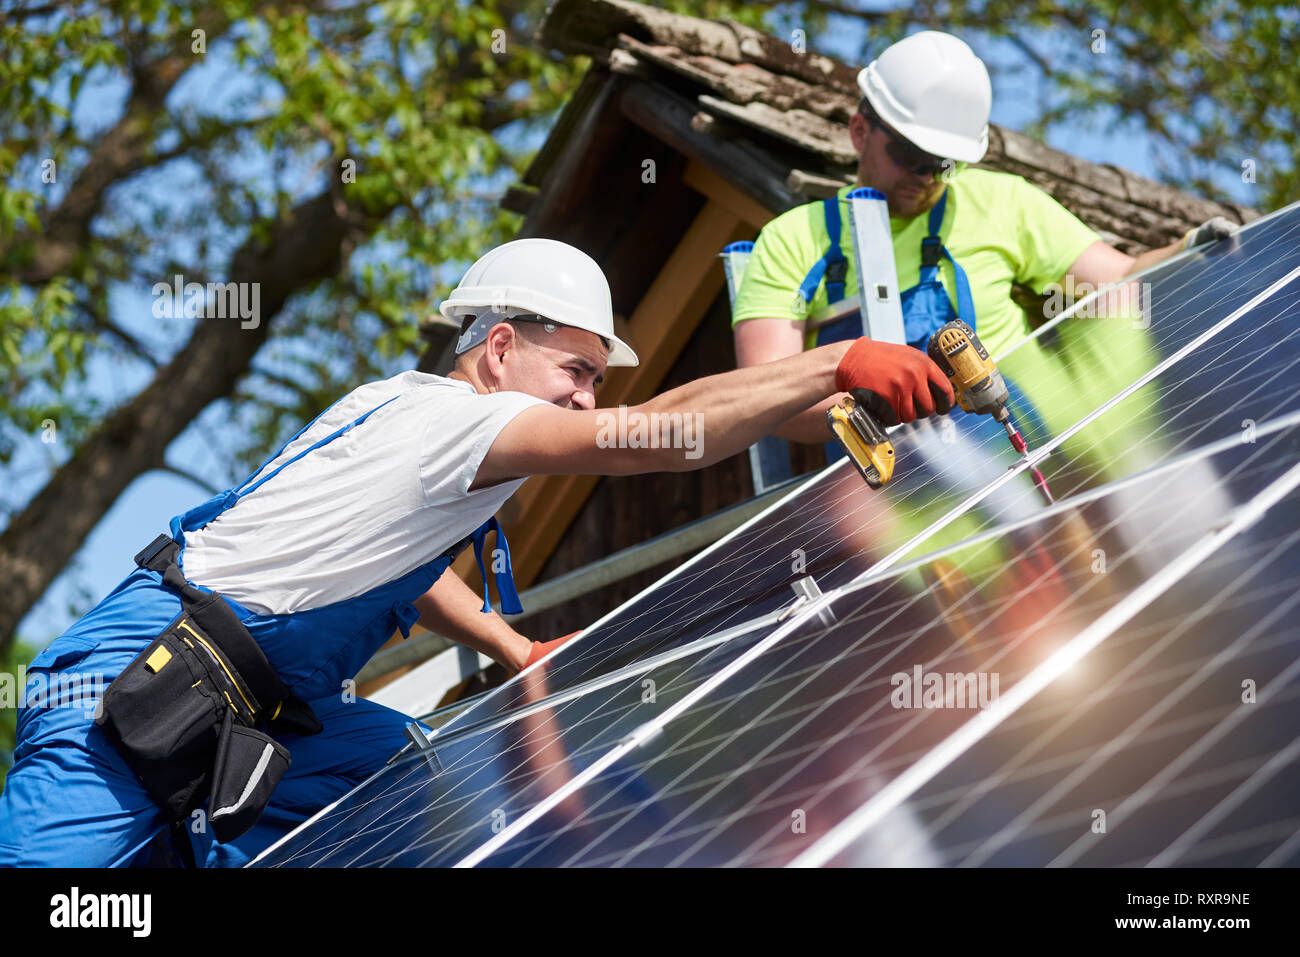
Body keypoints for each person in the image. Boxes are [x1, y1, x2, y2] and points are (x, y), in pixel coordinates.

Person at [0, 237, 954, 867]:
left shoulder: (398, 414)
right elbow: (660, 432)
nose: (586, 399)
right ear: (500, 348)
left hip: (243, 705)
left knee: (397, 770)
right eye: (576, 371)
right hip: (130, 699)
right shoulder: (460, 426)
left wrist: (509, 649)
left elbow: (400, 569)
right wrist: (835, 361)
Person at [732, 30, 1238, 445]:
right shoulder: (794, 240)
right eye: (912, 156)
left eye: (944, 164)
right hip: (906, 483)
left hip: (1039, 439)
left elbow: (1119, 281)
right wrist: (874, 405)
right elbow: (766, 393)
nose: (928, 176)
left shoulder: (1002, 201)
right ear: (861, 132)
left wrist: (1190, 251)